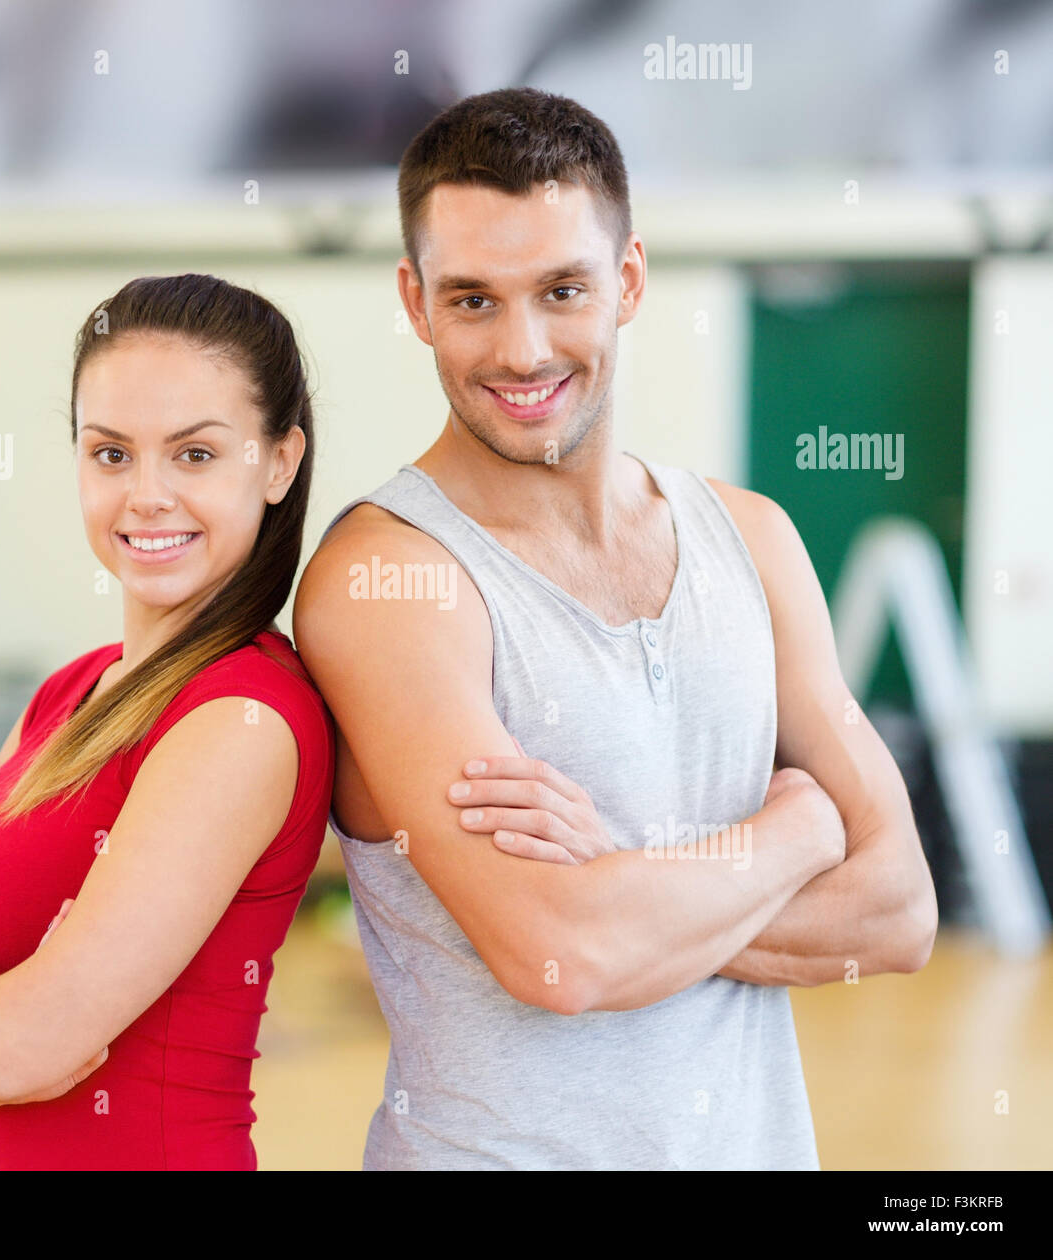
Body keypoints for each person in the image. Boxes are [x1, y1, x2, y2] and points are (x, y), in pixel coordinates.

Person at [292, 87, 938, 1170]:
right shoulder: (391, 579)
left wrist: (626, 879)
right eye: (472, 301)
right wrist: (797, 835)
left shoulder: (754, 541)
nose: (523, 349)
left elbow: (901, 915)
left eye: (561, 289)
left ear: (627, 279)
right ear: (413, 301)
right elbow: (562, 956)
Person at [0, 273, 335, 1171]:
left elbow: (7, 1053)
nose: (146, 495)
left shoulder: (244, 718)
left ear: (278, 462)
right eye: (112, 453)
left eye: (194, 455)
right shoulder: (69, 694)